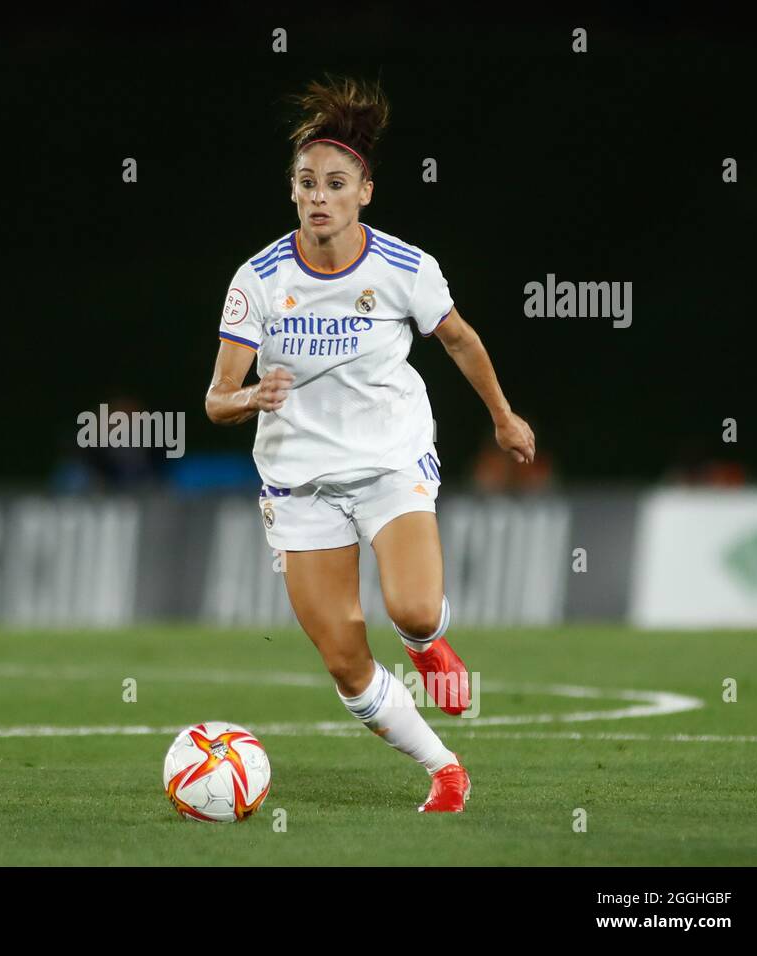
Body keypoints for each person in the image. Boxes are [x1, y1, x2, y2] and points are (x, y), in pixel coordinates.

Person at [205, 76, 535, 812]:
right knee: (346, 660)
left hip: (390, 462)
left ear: (365, 194)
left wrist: (504, 418)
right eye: (306, 183)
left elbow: (459, 339)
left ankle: (426, 645)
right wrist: (248, 397)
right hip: (298, 487)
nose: (319, 195)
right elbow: (215, 397)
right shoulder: (257, 281)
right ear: (291, 192)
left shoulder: (404, 267)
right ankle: (445, 770)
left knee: (413, 609)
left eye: (335, 183)